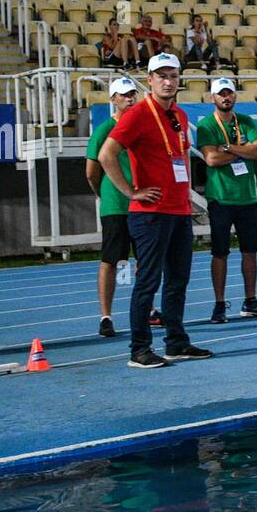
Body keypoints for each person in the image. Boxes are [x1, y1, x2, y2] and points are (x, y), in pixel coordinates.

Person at [98, 53, 213, 368]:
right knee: (149, 281)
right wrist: (130, 191)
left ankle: (176, 342)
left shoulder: (180, 115)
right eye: (161, 75)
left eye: (173, 76)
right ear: (149, 80)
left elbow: (180, 158)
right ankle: (139, 349)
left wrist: (186, 194)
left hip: (178, 210)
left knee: (179, 279)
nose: (167, 81)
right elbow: (107, 154)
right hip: (149, 213)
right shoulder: (137, 114)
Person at [196, 76, 257, 323]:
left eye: (229, 93)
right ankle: (219, 304)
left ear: (235, 96)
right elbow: (210, 159)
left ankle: (250, 300)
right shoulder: (206, 126)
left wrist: (228, 148)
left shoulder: (245, 121)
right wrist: (243, 150)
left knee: (250, 251)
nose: (226, 97)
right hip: (221, 198)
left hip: (247, 197)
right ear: (212, 98)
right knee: (220, 253)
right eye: (221, 94)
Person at [85, 75, 164, 336]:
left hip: (143, 204)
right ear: (114, 100)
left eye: (133, 94)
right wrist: (106, 194)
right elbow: (91, 172)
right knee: (111, 260)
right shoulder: (104, 130)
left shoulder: (144, 125)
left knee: (146, 259)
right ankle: (106, 316)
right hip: (117, 205)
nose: (130, 99)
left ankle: (149, 309)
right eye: (124, 95)